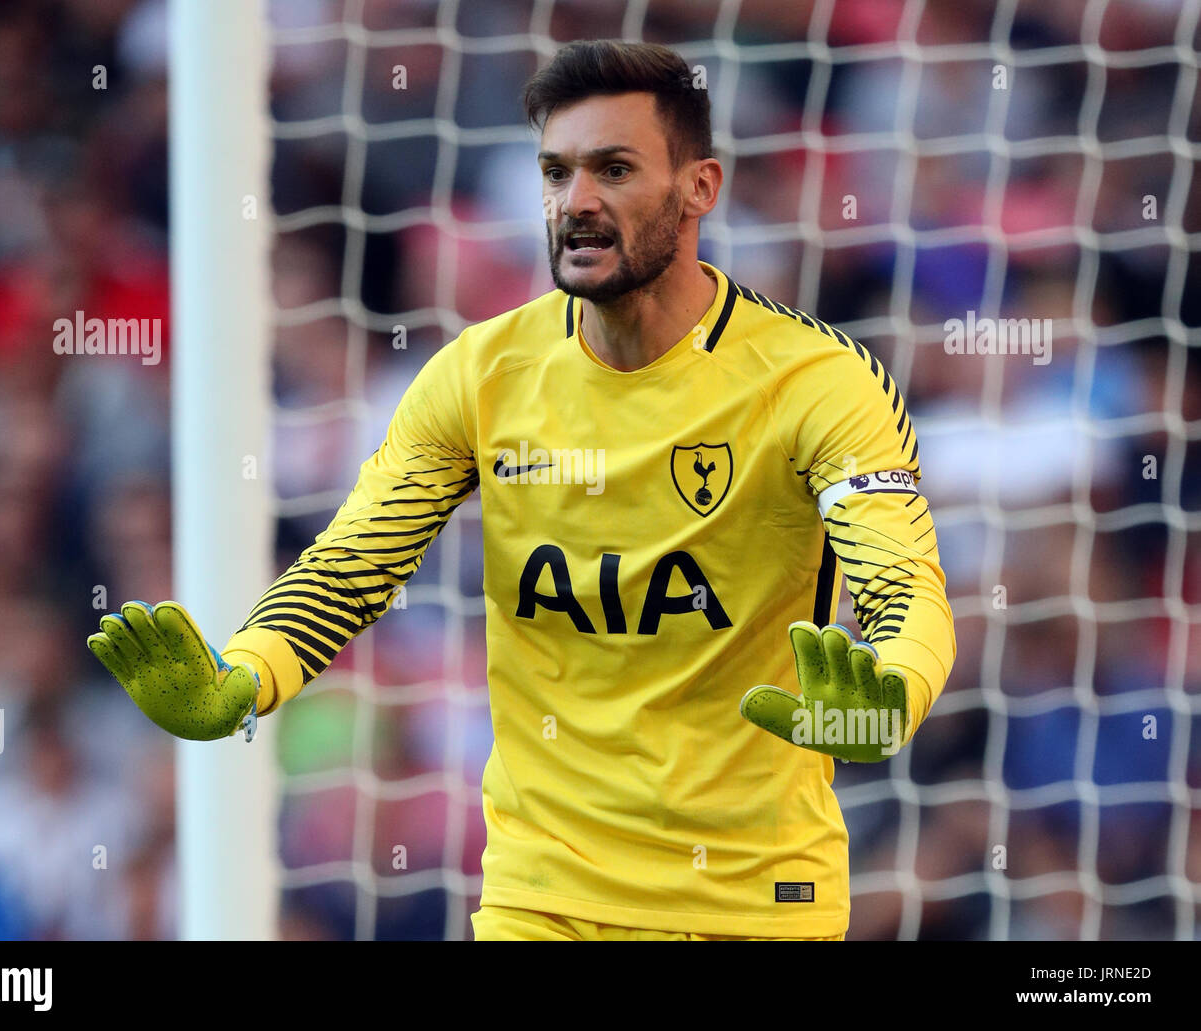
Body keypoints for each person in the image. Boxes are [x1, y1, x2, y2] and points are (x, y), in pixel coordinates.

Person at [88, 39, 955, 941]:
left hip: (750, 900)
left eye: (614, 169)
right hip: (543, 900)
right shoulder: (480, 375)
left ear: (700, 188)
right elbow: (351, 566)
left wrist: (891, 688)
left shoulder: (819, 382)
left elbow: (905, 588)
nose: (576, 201)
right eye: (556, 172)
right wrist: (247, 673)